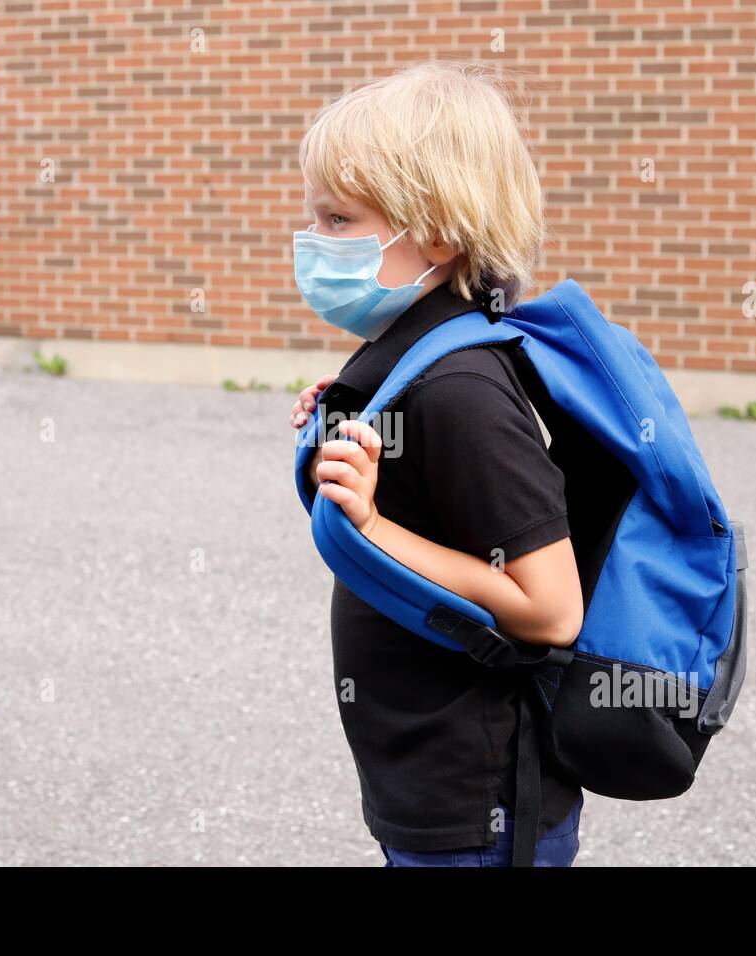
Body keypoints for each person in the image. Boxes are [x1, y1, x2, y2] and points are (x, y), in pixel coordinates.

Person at [287, 62, 585, 867]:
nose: (314, 242)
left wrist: (374, 525)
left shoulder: (459, 389)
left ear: (440, 231)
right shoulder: (418, 351)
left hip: (475, 804)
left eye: (339, 218)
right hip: (424, 776)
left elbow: (552, 610)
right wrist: (348, 416)